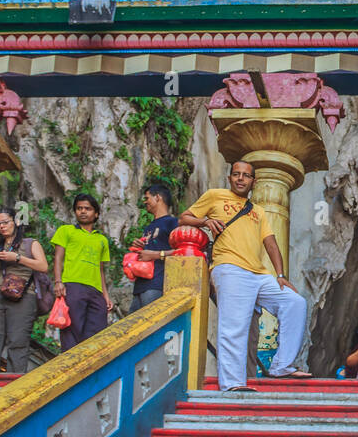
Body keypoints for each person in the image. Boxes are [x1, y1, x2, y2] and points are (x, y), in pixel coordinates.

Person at [180, 161, 311, 387]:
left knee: (295, 303)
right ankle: (232, 383)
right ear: (230, 178)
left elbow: (270, 243)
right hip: (229, 268)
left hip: (258, 274)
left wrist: (280, 275)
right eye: (236, 174)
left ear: (253, 181)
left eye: (246, 176)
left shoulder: (257, 210)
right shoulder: (214, 195)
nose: (241, 179)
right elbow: (184, 218)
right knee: (234, 326)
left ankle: (281, 366)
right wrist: (205, 221)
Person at [0, 206, 48, 374]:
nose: (2, 226)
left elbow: (43, 266)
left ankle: (14, 384)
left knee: (18, 341)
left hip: (24, 295)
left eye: (5, 222)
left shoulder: (30, 243)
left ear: (16, 222)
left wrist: (17, 258)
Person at [50, 193, 112, 352]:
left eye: (88, 209)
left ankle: (91, 372)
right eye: (79, 208)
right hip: (73, 286)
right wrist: (58, 282)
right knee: (72, 331)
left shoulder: (102, 240)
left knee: (97, 334)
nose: (83, 212)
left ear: (96, 213)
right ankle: (71, 371)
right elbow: (58, 258)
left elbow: (100, 269)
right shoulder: (66, 231)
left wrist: (105, 295)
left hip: (96, 291)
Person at [128, 184, 177, 312]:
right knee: (132, 330)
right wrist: (141, 247)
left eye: (147, 198)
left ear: (158, 197)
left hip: (157, 284)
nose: (145, 202)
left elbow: (182, 252)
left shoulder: (172, 223)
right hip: (140, 285)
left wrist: (155, 255)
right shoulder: (149, 226)